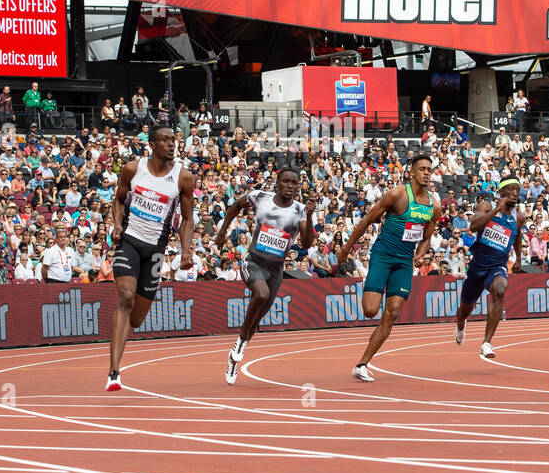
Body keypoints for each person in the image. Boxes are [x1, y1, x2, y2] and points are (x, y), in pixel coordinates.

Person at [337, 154, 442, 382]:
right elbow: (366, 221)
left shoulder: (434, 205)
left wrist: (421, 253)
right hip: (383, 256)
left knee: (392, 313)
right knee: (370, 311)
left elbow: (426, 237)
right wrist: (346, 249)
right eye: (422, 169)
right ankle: (372, 287)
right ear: (412, 172)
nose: (426, 173)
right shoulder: (397, 194)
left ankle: (362, 364)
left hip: (404, 262)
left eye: (429, 170)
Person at [106, 124, 195, 391]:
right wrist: (118, 224)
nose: (172, 144)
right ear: (152, 145)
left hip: (156, 249)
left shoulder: (183, 177)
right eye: (165, 140)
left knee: (136, 319)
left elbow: (188, 218)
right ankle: (113, 372)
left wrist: (185, 250)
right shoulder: (134, 169)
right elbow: (119, 199)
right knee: (125, 297)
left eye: (174, 140)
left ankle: (124, 333)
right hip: (130, 241)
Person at [213, 168, 313, 384]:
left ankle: (234, 355)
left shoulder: (301, 210)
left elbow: (306, 244)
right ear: (276, 184)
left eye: (294, 182)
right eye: (285, 181)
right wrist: (222, 233)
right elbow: (236, 205)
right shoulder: (260, 197)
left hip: (276, 269)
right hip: (253, 261)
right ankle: (240, 341)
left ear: (298, 186)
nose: (290, 185)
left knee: (258, 320)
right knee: (260, 294)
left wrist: (311, 216)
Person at [453, 178, 526, 359]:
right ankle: (461, 324)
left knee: (500, 289)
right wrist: (496, 209)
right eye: (510, 189)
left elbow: (517, 236)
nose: (515, 193)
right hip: (477, 266)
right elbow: (475, 226)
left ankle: (486, 342)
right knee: (464, 310)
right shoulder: (486, 206)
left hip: (497, 265)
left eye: (517, 190)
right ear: (500, 193)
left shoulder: (519, 217)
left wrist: (518, 258)